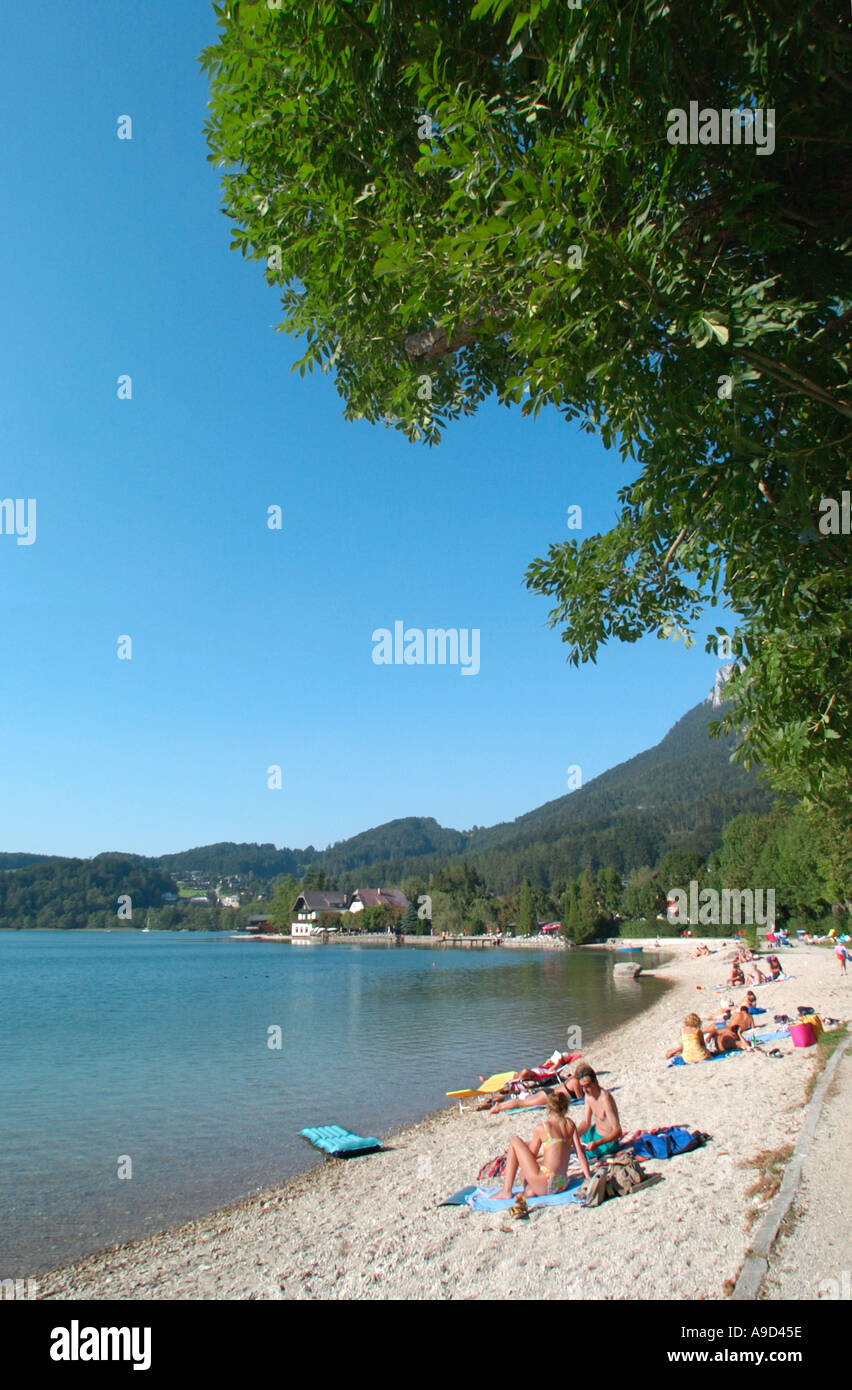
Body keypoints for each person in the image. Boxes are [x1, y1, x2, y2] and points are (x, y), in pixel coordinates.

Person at [494, 1092, 592, 1200]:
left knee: (515, 1142)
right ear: (565, 1107)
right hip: (561, 1184)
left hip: (545, 1182)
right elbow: (580, 1153)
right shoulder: (570, 1125)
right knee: (529, 1173)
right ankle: (530, 1190)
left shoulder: (542, 1128)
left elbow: (531, 1156)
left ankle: (506, 1191)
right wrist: (588, 1177)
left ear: (549, 1108)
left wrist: (523, 1150)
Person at [574, 1064, 623, 1157]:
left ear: (595, 1082)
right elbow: (586, 1122)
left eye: (587, 1086)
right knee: (575, 1142)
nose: (585, 1090)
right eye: (582, 1087)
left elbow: (618, 1131)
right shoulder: (588, 1096)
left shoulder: (605, 1099)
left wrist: (597, 1143)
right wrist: (573, 1134)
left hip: (607, 1140)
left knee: (583, 1154)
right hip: (595, 1132)